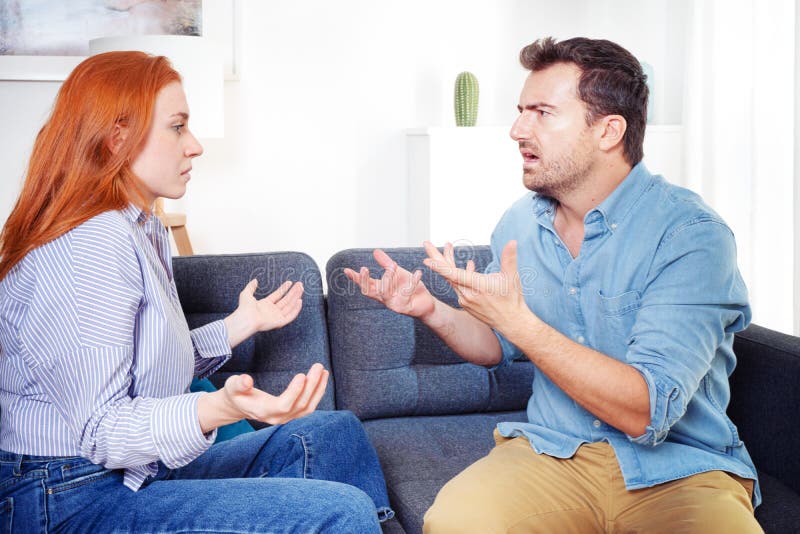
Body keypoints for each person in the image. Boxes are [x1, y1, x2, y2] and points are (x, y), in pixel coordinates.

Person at [346, 37, 762, 533]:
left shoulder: (691, 237)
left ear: (608, 131)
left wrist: (519, 324)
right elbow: (496, 345)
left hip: (681, 467)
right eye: (521, 111)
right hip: (551, 452)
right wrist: (430, 310)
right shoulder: (518, 225)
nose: (517, 129)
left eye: (542, 112)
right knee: (455, 522)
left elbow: (646, 412)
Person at [0, 51, 392, 533]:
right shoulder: (90, 244)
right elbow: (102, 430)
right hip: (71, 496)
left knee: (334, 435)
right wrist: (220, 407)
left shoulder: (141, 230)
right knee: (341, 513)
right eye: (178, 126)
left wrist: (238, 326)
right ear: (118, 136)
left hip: (131, 473)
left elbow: (144, 370)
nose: (196, 145)